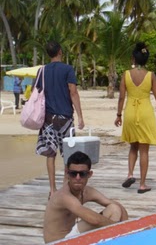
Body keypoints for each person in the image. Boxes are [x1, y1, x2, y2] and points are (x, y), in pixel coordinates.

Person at [115, 43, 156, 194]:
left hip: (130, 111)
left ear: (134, 58)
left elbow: (121, 97)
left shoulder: (126, 74)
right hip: (145, 112)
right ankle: (142, 184)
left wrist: (118, 115)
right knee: (144, 150)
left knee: (133, 147)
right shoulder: (151, 75)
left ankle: (130, 174)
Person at [44, 152, 127, 243]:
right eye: (73, 174)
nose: (78, 178)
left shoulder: (87, 191)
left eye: (82, 174)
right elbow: (94, 220)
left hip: (72, 238)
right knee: (92, 219)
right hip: (59, 243)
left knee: (114, 208)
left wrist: (126, 225)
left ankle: (117, 239)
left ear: (89, 174)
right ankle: (118, 237)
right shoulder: (64, 196)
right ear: (67, 173)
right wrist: (121, 229)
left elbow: (114, 204)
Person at [35, 41, 85, 193]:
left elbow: (37, 92)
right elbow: (73, 92)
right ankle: (65, 186)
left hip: (48, 119)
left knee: (51, 154)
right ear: (60, 52)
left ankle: (52, 189)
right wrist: (80, 116)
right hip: (65, 118)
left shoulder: (42, 71)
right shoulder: (67, 69)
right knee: (67, 153)